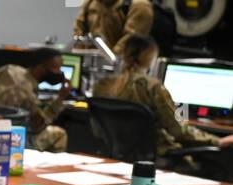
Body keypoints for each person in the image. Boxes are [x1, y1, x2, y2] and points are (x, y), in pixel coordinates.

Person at [96, 34, 233, 159]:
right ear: (151, 59)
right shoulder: (152, 87)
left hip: (119, 157)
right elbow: (179, 131)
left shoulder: (102, 86)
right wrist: (218, 141)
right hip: (161, 159)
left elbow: (97, 131)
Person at [0, 47, 70, 152]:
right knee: (59, 134)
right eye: (56, 68)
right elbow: (38, 127)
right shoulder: (28, 95)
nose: (60, 72)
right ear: (40, 68)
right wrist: (60, 100)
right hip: (3, 138)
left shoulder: (9, 69)